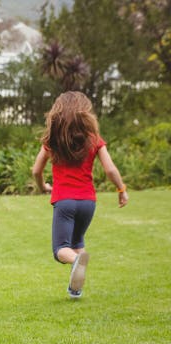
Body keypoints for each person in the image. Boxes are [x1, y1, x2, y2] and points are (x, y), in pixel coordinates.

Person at [31, 91, 128, 299]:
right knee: (77, 243)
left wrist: (42, 187)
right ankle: (75, 289)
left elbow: (36, 171)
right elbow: (110, 170)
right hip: (88, 203)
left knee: (61, 250)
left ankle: (76, 260)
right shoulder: (94, 140)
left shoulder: (52, 141)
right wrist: (121, 190)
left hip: (64, 201)